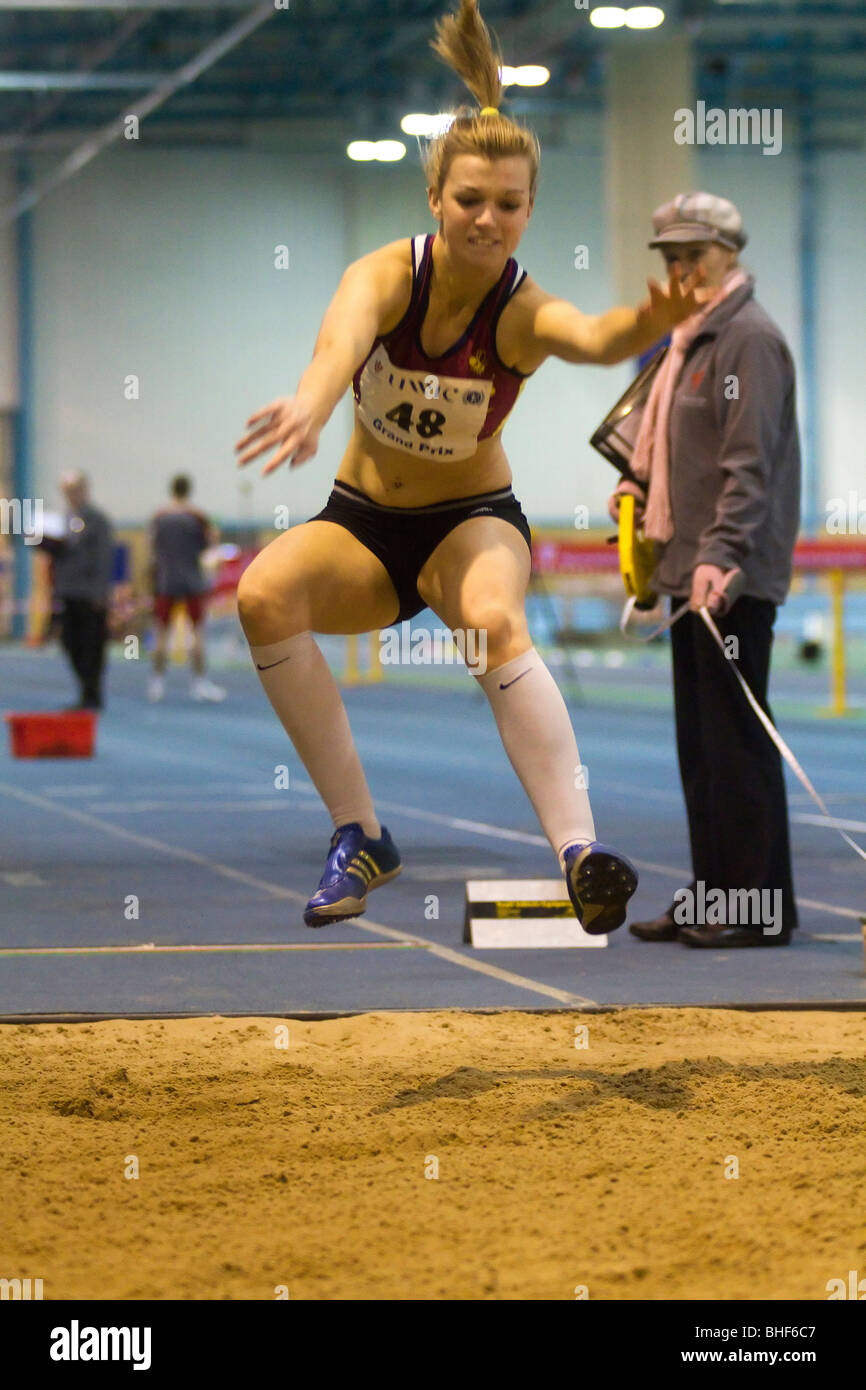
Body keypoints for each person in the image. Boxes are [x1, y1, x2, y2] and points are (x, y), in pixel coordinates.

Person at [234, 0, 702, 934]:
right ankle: (360, 832)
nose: (489, 221)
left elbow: (595, 334)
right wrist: (314, 404)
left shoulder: (520, 312)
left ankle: (578, 851)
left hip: (469, 521)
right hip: (362, 524)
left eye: (510, 205)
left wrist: (647, 323)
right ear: (436, 200)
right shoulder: (384, 276)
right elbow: (340, 347)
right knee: (261, 598)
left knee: (490, 620)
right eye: (471, 201)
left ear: (529, 211)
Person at [609, 192, 801, 948]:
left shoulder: (747, 341)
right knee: (703, 749)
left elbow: (748, 465)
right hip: (687, 571)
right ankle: (717, 895)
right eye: (671, 255)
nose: (683, 266)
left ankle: (754, 910)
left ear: (731, 252)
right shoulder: (688, 338)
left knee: (736, 745)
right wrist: (638, 484)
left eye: (696, 253)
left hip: (731, 576)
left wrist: (722, 556)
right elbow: (672, 451)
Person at [147, 474, 226, 703]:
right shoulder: (197, 517)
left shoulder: (159, 516)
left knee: (161, 632)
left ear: (172, 490)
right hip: (192, 579)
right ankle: (199, 683)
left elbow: (152, 546)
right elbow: (209, 544)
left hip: (166, 580)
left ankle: (157, 683)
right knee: (197, 632)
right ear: (188, 491)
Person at [40, 470, 114, 710]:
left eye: (72, 490)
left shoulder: (97, 519)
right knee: (69, 641)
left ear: (83, 489)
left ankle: (92, 693)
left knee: (92, 644)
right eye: (65, 492)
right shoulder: (66, 519)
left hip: (90, 594)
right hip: (67, 591)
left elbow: (103, 558)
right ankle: (85, 688)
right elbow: (65, 551)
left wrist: (100, 592)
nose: (69, 495)